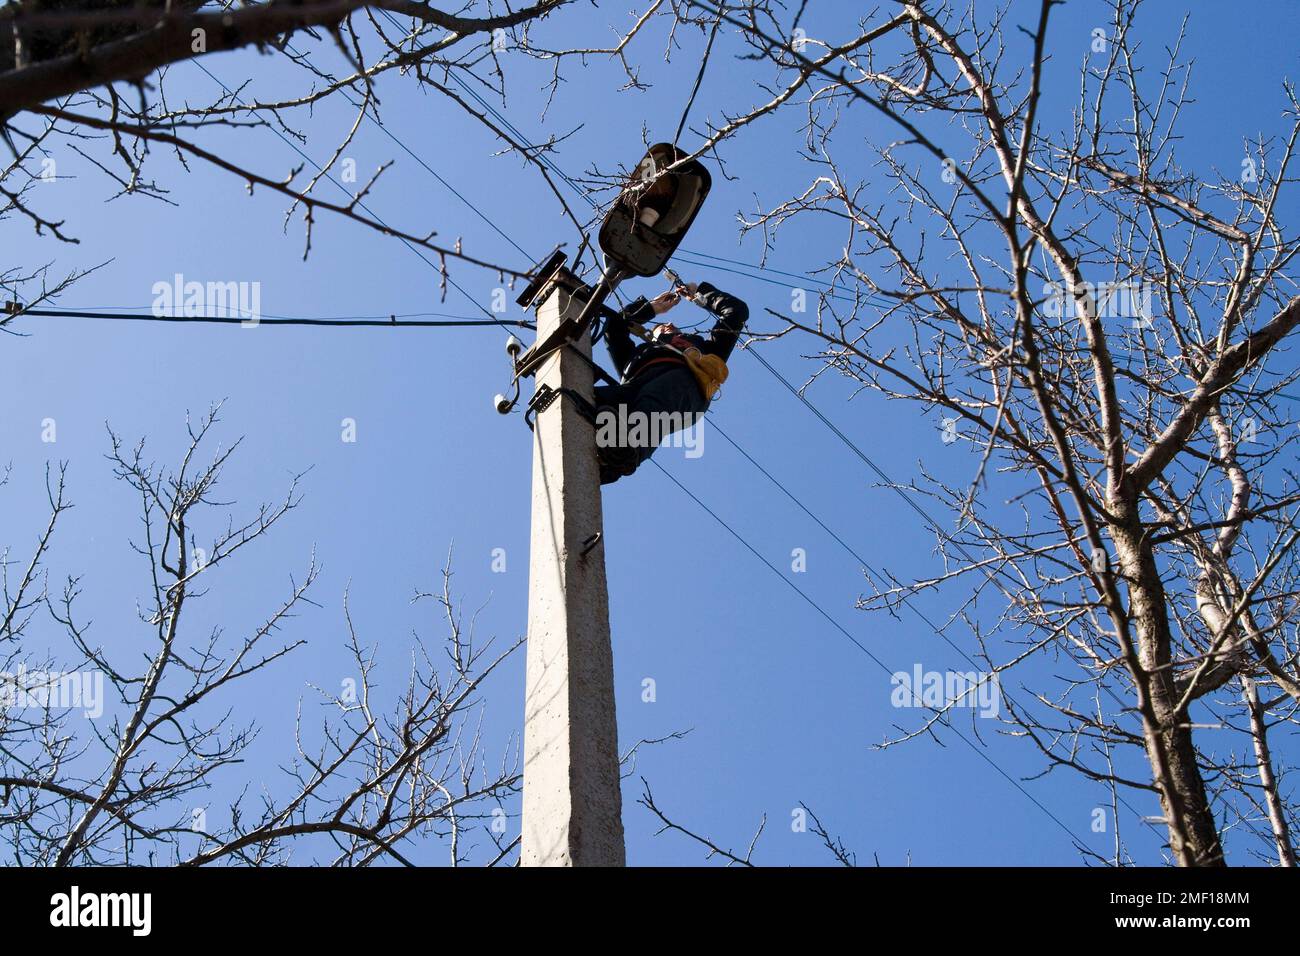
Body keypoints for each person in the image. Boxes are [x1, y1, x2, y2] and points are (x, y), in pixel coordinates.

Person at [593, 280, 749, 484]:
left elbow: (735, 312)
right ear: (651, 336)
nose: (668, 325)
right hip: (634, 385)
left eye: (672, 326)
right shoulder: (636, 356)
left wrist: (701, 293)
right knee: (593, 398)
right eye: (660, 327)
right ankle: (599, 455)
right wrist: (650, 308)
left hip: (683, 381)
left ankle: (624, 455)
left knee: (653, 403)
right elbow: (613, 328)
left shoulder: (704, 350)